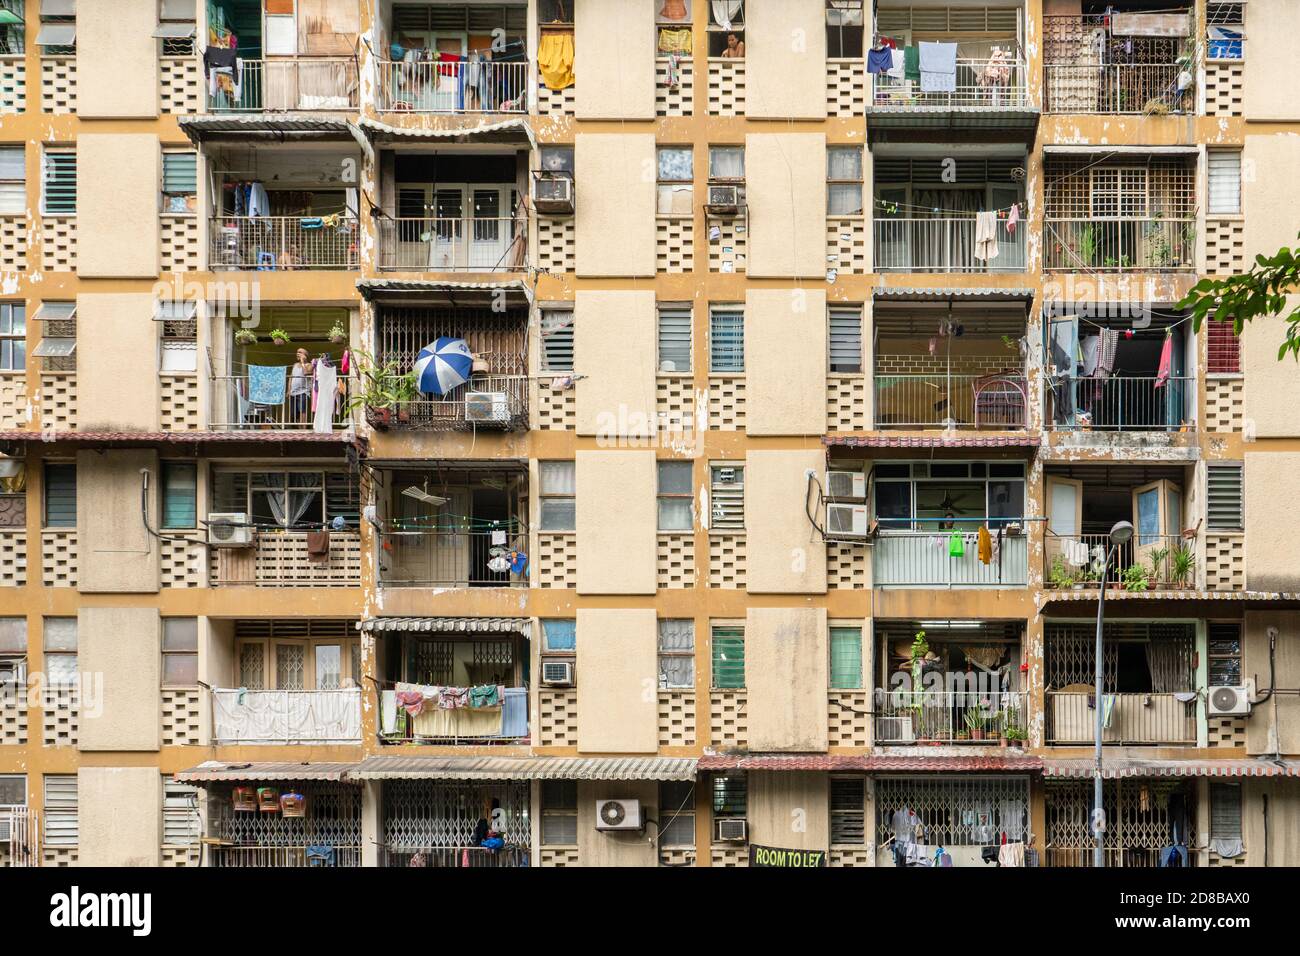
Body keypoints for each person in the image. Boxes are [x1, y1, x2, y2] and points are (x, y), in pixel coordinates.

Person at [289, 348, 313, 424]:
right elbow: (290, 377)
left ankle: (303, 428)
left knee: (302, 410)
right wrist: (288, 390)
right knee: (293, 413)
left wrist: (302, 362)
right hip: (293, 392)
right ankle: (299, 427)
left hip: (303, 392)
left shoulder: (309, 365)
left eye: (300, 352)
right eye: (297, 352)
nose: (297, 354)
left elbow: (306, 372)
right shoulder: (295, 365)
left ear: (305, 355)